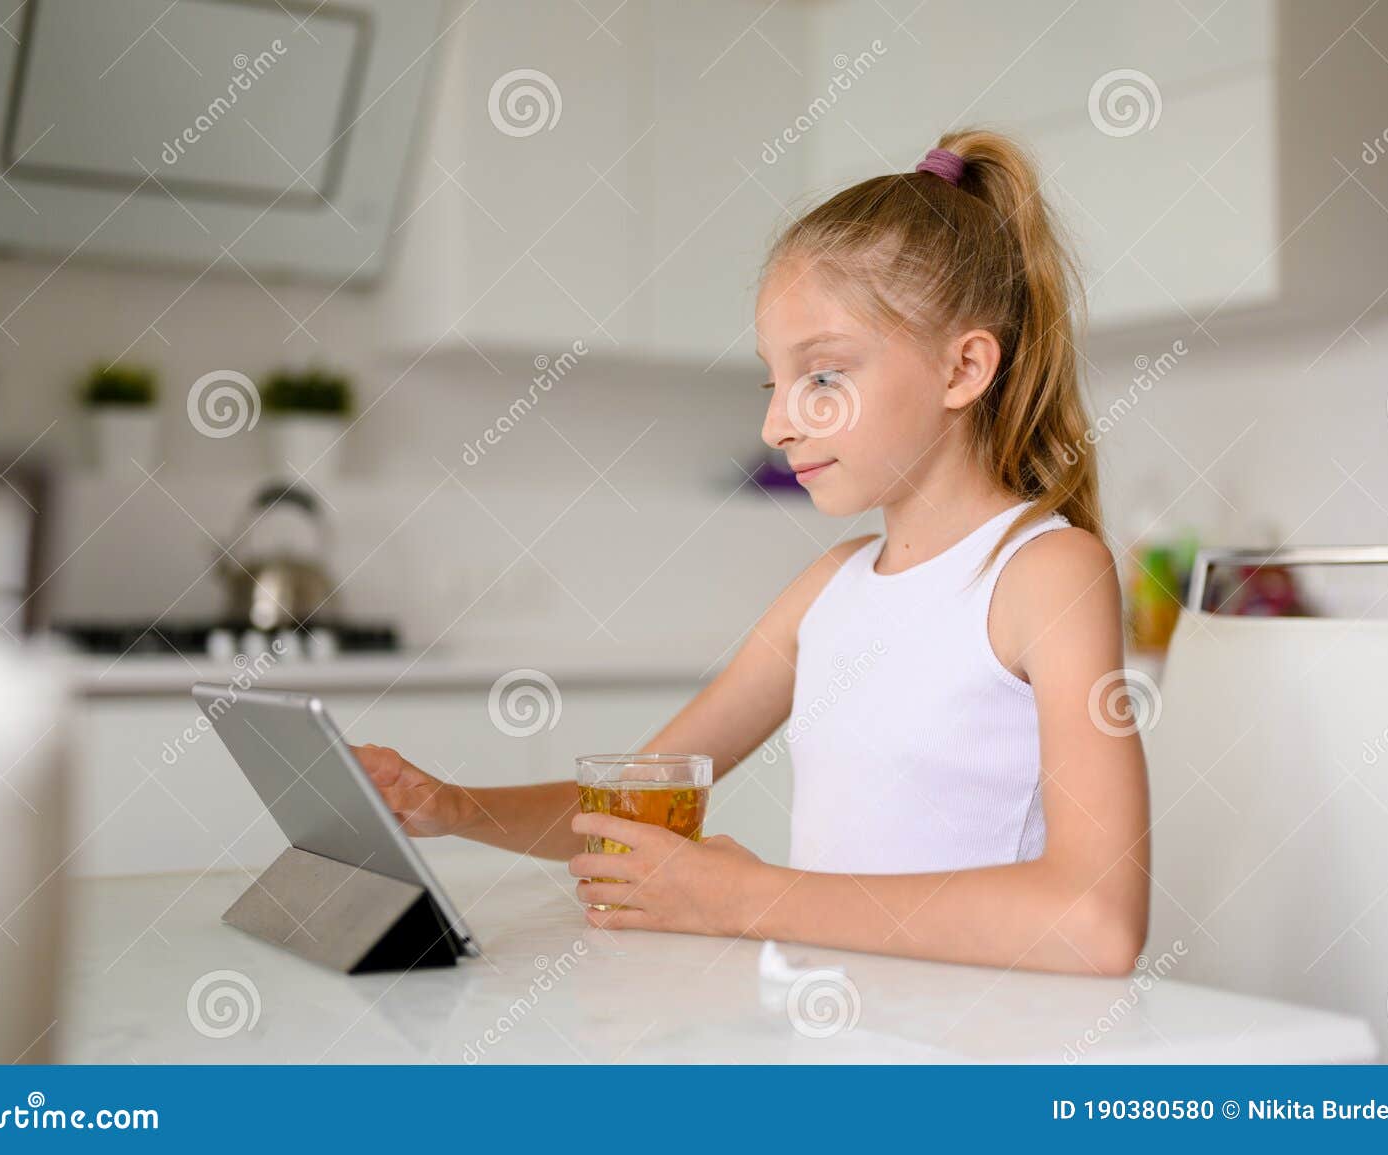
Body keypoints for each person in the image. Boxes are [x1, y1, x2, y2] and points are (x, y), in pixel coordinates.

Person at [353, 128, 1150, 975]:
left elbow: (1096, 921)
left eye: (825, 376)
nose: (777, 424)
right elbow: (633, 804)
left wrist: (744, 897)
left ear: (963, 370)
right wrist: (451, 805)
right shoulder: (828, 588)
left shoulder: (1046, 574)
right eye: (775, 382)